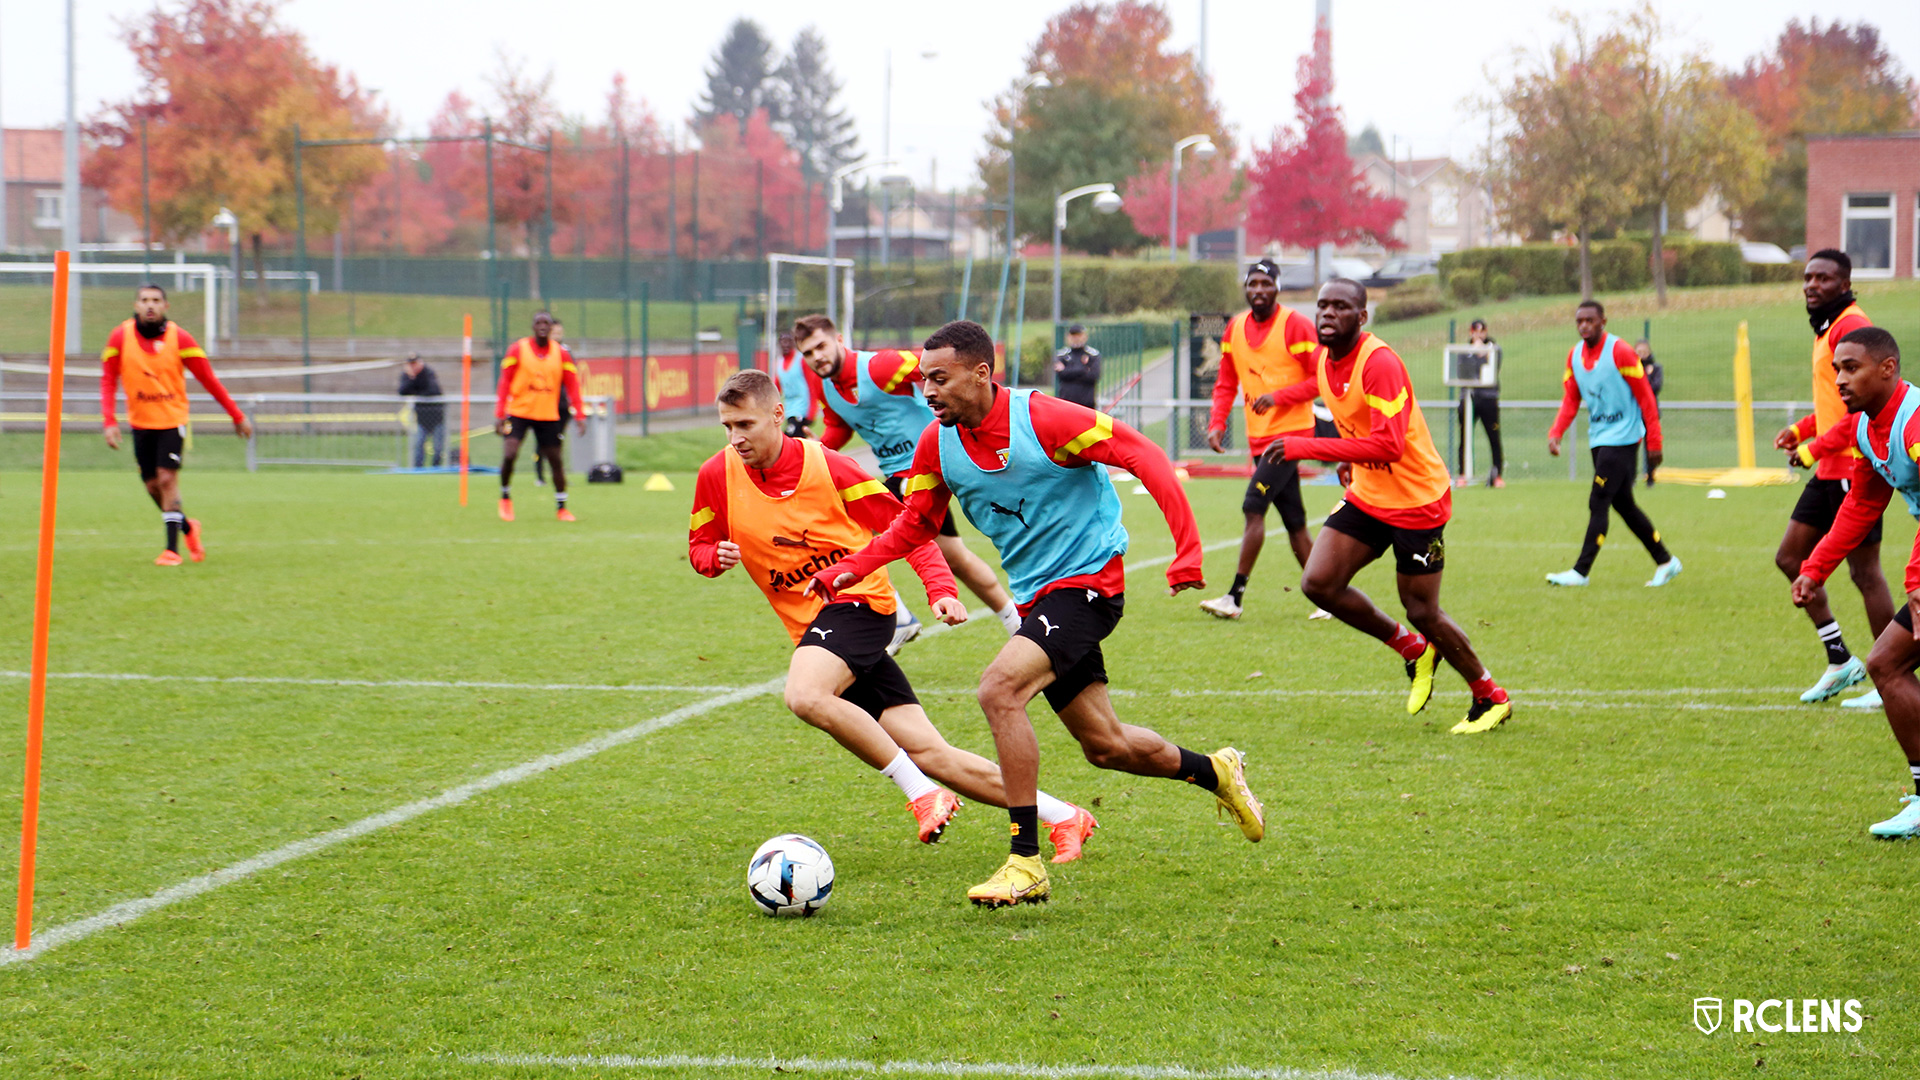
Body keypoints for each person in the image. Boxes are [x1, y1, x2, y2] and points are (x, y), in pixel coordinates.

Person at [809, 320, 1265, 908]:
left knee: (998, 690)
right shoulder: (936, 444)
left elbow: (1144, 454)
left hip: (1090, 583)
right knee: (1105, 745)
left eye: (940, 378)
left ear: (982, 373)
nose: (928, 391)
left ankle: (1024, 861)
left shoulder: (1046, 419)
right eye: (924, 380)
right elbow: (916, 523)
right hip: (1037, 599)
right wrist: (850, 567)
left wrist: (1188, 550)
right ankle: (1216, 771)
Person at [689, 370, 1100, 860]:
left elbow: (909, 529)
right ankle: (1063, 815)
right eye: (727, 427)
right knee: (932, 753)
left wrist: (940, 589)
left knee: (805, 694)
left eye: (745, 425)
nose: (735, 438)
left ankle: (921, 793)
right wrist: (714, 558)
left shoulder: (831, 467)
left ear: (778, 415)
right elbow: (699, 546)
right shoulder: (716, 475)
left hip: (859, 605)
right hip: (814, 630)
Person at [1266, 280, 1513, 735]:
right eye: (1322, 305)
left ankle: (1490, 696)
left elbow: (1390, 444)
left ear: (1362, 317)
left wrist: (1306, 447)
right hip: (1369, 494)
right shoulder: (1324, 361)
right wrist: (1345, 459)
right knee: (1319, 583)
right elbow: (1355, 424)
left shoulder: (1379, 362)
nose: (1327, 313)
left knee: (1422, 611)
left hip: (1417, 500)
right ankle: (1414, 651)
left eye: (1341, 306)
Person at [794, 313, 1023, 650]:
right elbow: (840, 425)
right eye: (808, 353)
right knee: (952, 557)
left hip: (924, 469)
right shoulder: (826, 387)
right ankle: (1015, 621)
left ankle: (900, 616)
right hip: (900, 477)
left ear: (839, 339)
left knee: (848, 527)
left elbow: (936, 369)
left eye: (821, 346)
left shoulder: (880, 366)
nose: (817, 357)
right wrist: (819, 447)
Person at [1789, 327, 1920, 836]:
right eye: (1836, 369)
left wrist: (1915, 576)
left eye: (1851, 367)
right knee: (1886, 664)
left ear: (1888, 369)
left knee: (1887, 663)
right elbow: (1863, 503)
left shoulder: (1914, 422)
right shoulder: (1866, 429)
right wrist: (1814, 568)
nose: (1839, 379)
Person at [1774, 249, 1893, 708]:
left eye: (1823, 278)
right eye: (1807, 277)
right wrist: (1804, 430)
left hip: (1852, 466)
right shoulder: (1828, 328)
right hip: (1829, 468)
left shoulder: (1850, 326)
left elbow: (1862, 408)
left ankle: (1891, 673)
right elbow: (1835, 407)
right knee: (1791, 558)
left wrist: (1815, 447)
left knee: (1865, 573)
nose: (1811, 284)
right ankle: (1840, 658)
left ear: (1844, 284)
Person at [1199, 258, 1328, 622]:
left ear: (1278, 288)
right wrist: (1217, 423)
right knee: (1294, 521)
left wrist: (1279, 397)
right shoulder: (1235, 328)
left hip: (1290, 436)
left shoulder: (1296, 325)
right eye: (1252, 283)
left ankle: (1234, 597)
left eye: (1265, 284)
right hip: (1259, 438)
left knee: (1253, 506)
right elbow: (1226, 381)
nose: (1258, 290)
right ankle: (1329, 596)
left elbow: (1322, 377)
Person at [100, 283, 253, 566]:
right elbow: (108, 379)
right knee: (152, 486)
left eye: (156, 300)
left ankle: (172, 551)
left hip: (172, 420)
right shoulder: (120, 337)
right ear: (136, 305)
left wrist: (237, 415)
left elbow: (209, 379)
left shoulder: (180, 338)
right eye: (145, 300)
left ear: (165, 306)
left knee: (167, 479)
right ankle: (188, 528)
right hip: (140, 423)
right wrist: (109, 420)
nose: (150, 305)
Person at [1544, 300, 1682, 588]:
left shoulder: (1620, 351)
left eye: (1590, 320)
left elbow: (1646, 397)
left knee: (1598, 500)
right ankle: (1666, 561)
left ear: (1603, 321)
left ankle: (1580, 572)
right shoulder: (1574, 356)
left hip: (1623, 439)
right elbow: (1571, 398)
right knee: (1624, 505)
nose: (1584, 325)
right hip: (1599, 438)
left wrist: (1654, 441)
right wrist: (1556, 432)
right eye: (1579, 320)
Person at [495, 311, 585, 522]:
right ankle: (505, 497)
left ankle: (562, 508)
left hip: (547, 414)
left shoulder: (561, 354)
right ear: (533, 326)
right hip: (519, 412)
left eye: (546, 323)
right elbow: (505, 381)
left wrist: (580, 414)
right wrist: (500, 412)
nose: (543, 326)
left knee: (555, 460)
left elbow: (572, 385)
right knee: (510, 453)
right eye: (539, 323)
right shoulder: (518, 349)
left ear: (551, 327)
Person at [1458, 319, 1505, 488]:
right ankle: (1463, 473)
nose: (1479, 335)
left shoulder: (1494, 349)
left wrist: (1482, 352)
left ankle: (1497, 474)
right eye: (1475, 332)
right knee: (1464, 438)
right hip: (1468, 399)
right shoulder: (1463, 351)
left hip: (1488, 399)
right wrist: (1473, 352)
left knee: (1494, 437)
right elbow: (1462, 371)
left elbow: (1494, 365)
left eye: (1482, 331)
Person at [535, 318, 572, 486]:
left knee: (558, 440)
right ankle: (540, 475)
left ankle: (558, 475)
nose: (557, 335)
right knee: (541, 441)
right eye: (554, 332)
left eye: (559, 332)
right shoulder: (539, 352)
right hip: (543, 402)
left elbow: (571, 377)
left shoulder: (565, 352)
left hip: (561, 404)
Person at [398, 353, 446, 468]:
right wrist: (412, 378)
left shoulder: (428, 373)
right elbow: (403, 391)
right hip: (421, 417)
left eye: (415, 363)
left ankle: (436, 468)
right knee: (419, 443)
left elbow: (432, 391)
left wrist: (416, 387)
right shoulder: (408, 375)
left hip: (436, 416)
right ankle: (418, 469)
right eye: (411, 364)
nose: (413, 366)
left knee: (438, 446)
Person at [772, 328, 819, 438]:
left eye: (789, 341)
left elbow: (812, 385)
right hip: (789, 409)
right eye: (783, 341)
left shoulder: (801, 360)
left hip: (802, 408)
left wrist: (812, 411)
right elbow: (776, 388)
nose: (786, 345)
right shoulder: (779, 363)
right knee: (798, 439)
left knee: (788, 436)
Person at [1051, 323, 1101, 409]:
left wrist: (1068, 370)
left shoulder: (1093, 355)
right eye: (1073, 336)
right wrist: (1084, 369)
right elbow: (1061, 375)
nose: (1076, 338)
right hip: (1066, 404)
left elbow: (1094, 376)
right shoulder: (1061, 355)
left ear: (1085, 337)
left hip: (1087, 405)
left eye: (1079, 335)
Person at [1634, 338, 1663, 486]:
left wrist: (1646, 377)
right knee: (1632, 446)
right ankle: (1631, 477)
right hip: (1634, 413)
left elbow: (1656, 387)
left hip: (1650, 413)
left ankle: (1650, 477)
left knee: (1651, 446)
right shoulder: (1632, 369)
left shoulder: (1656, 368)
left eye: (1644, 351)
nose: (1642, 354)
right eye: (1639, 351)